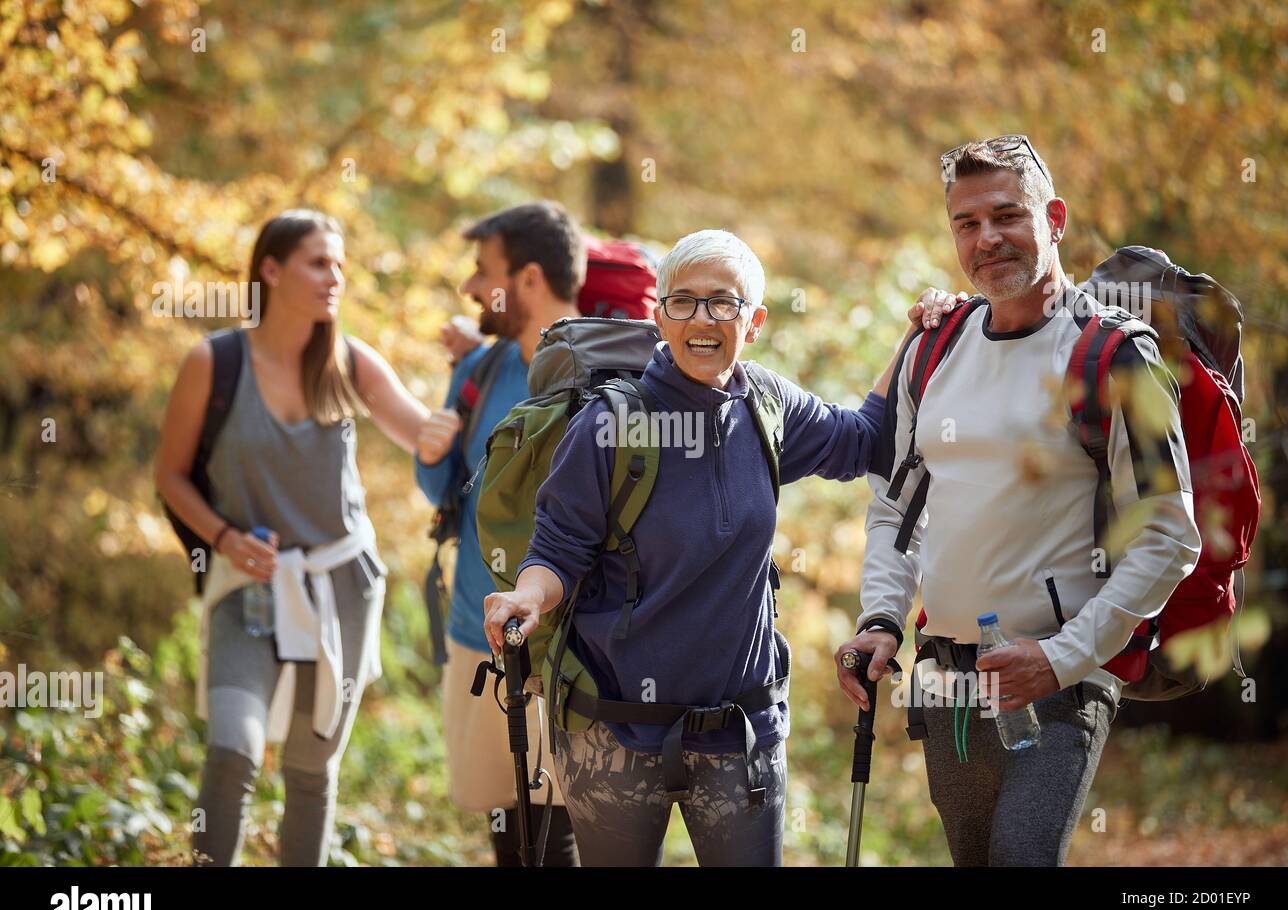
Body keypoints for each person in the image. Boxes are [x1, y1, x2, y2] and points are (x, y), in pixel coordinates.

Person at [482, 229, 930, 866]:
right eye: (683, 301)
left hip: (739, 730)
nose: (701, 318)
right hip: (613, 729)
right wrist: (528, 597)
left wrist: (917, 335)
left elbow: (865, 439)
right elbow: (557, 545)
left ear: (754, 321)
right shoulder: (611, 424)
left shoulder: (769, 405)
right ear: (658, 315)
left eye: (722, 302)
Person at [836, 136, 1201, 866]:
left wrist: (1064, 657)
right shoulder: (932, 350)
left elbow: (1169, 532)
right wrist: (880, 617)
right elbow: (896, 507)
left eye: (1007, 215)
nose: (987, 238)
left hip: (1059, 681)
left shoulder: (1113, 354)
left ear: (1055, 218)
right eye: (966, 224)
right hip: (946, 683)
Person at [156, 209, 444, 866]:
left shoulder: (348, 361)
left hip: (343, 589)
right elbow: (170, 476)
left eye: (340, 265)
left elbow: (425, 437)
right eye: (319, 262)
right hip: (248, 587)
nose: (334, 277)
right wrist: (224, 537)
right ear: (271, 268)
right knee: (232, 749)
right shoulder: (215, 363)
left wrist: (473, 386)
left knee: (311, 773)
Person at [414, 201, 585, 866]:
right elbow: (449, 497)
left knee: (558, 831)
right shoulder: (480, 369)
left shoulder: (596, 370)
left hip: (565, 647)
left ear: (530, 278)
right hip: (473, 633)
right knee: (506, 833)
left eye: (483, 271)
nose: (468, 286)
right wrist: (430, 459)